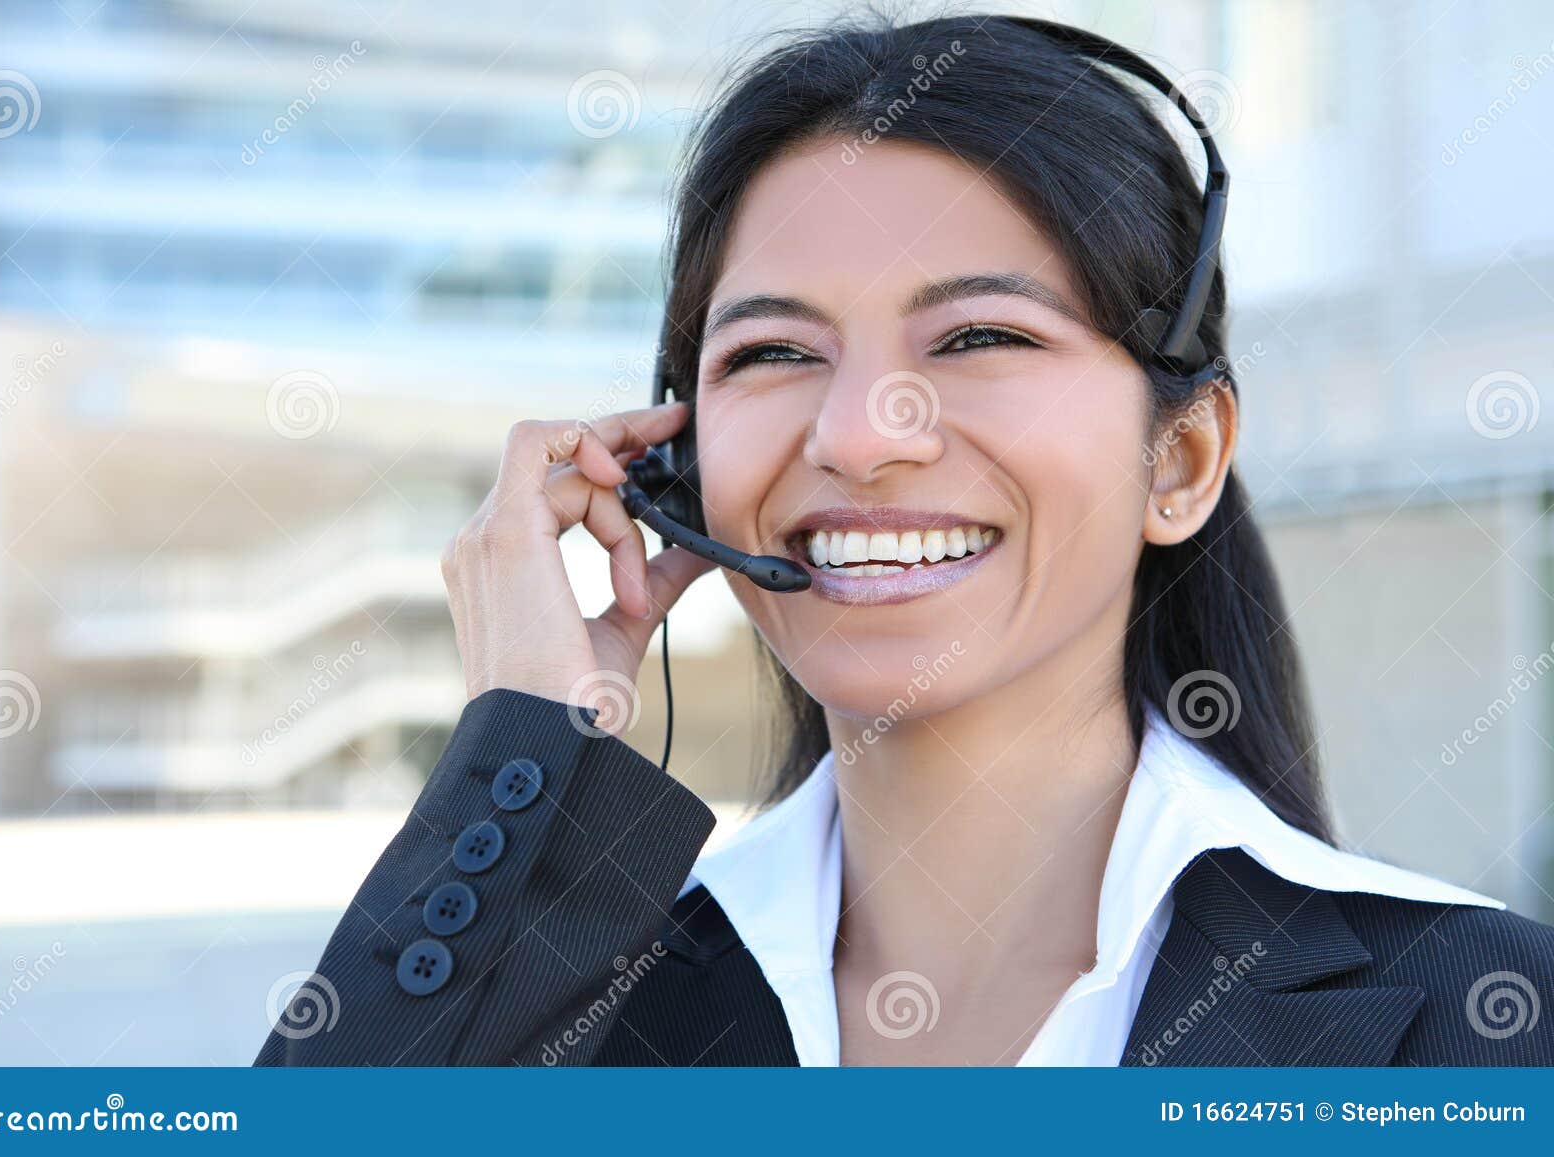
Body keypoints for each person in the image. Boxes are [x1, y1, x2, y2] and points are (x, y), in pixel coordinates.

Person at [258, 13, 1554, 1067]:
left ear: (1183, 459)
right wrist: (523, 752)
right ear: (679, 465)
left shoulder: (1478, 1024)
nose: (863, 433)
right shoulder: (564, 1015)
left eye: (980, 337)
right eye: (773, 352)